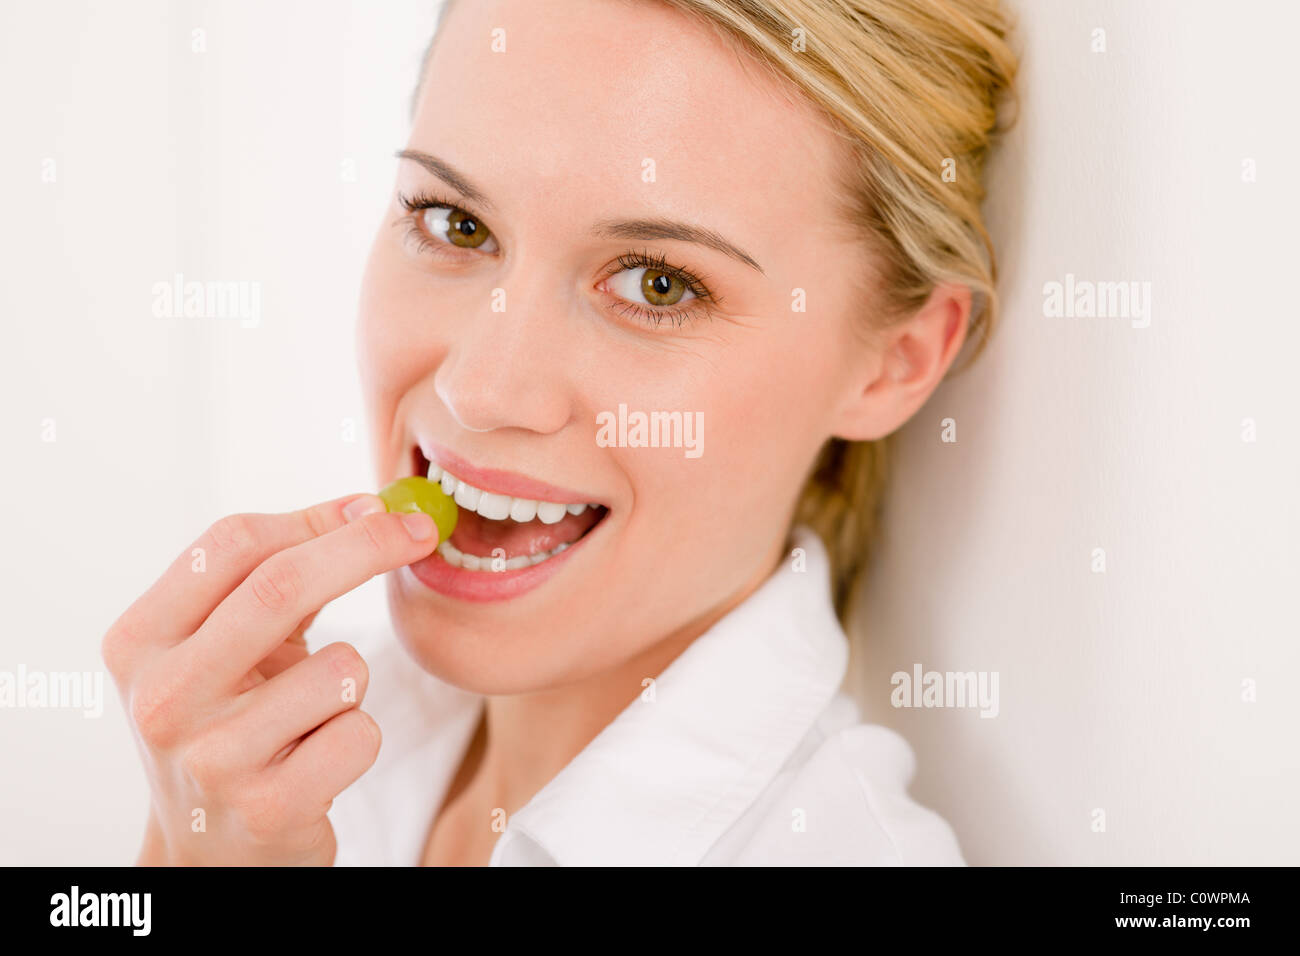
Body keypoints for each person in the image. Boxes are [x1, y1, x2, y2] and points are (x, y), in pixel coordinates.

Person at [103, 0, 1017, 866]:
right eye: (454, 222)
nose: (480, 388)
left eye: (657, 283)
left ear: (895, 361)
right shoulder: (273, 765)